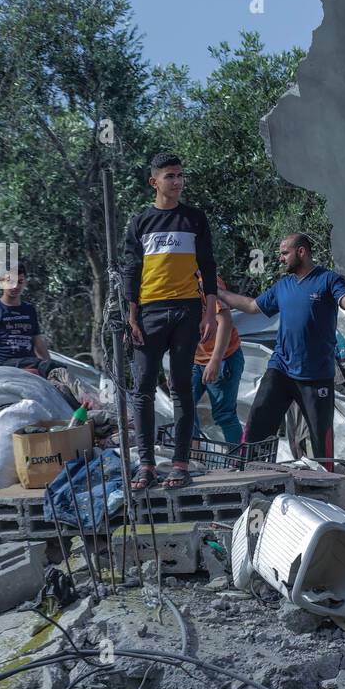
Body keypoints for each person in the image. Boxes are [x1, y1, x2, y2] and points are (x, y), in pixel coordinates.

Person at [217, 234, 345, 469]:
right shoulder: (283, 286)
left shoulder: (328, 279)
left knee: (321, 437)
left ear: (301, 252)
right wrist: (216, 291)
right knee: (257, 420)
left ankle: (327, 482)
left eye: (284, 253)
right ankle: (246, 470)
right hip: (281, 368)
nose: (280, 259)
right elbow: (250, 306)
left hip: (316, 374)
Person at [122, 152, 218, 490]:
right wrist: (131, 316)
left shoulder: (194, 219)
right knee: (143, 389)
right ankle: (145, 465)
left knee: (181, 388)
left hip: (187, 311)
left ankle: (180, 464)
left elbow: (208, 266)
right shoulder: (140, 222)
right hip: (148, 313)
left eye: (180, 176)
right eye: (170, 177)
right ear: (154, 182)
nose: (177, 182)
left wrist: (209, 311)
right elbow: (131, 270)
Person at [192, 274, 244, 448]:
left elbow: (225, 321)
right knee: (183, 408)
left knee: (225, 415)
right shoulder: (175, 282)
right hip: (194, 360)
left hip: (223, 357)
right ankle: (190, 460)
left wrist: (215, 360)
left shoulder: (206, 281)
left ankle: (238, 462)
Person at [0, 262, 50, 371]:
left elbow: (38, 344)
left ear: (25, 283)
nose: (15, 286)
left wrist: (49, 366)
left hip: (30, 365)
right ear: (1, 281)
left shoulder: (30, 310)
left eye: (19, 282)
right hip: (4, 367)